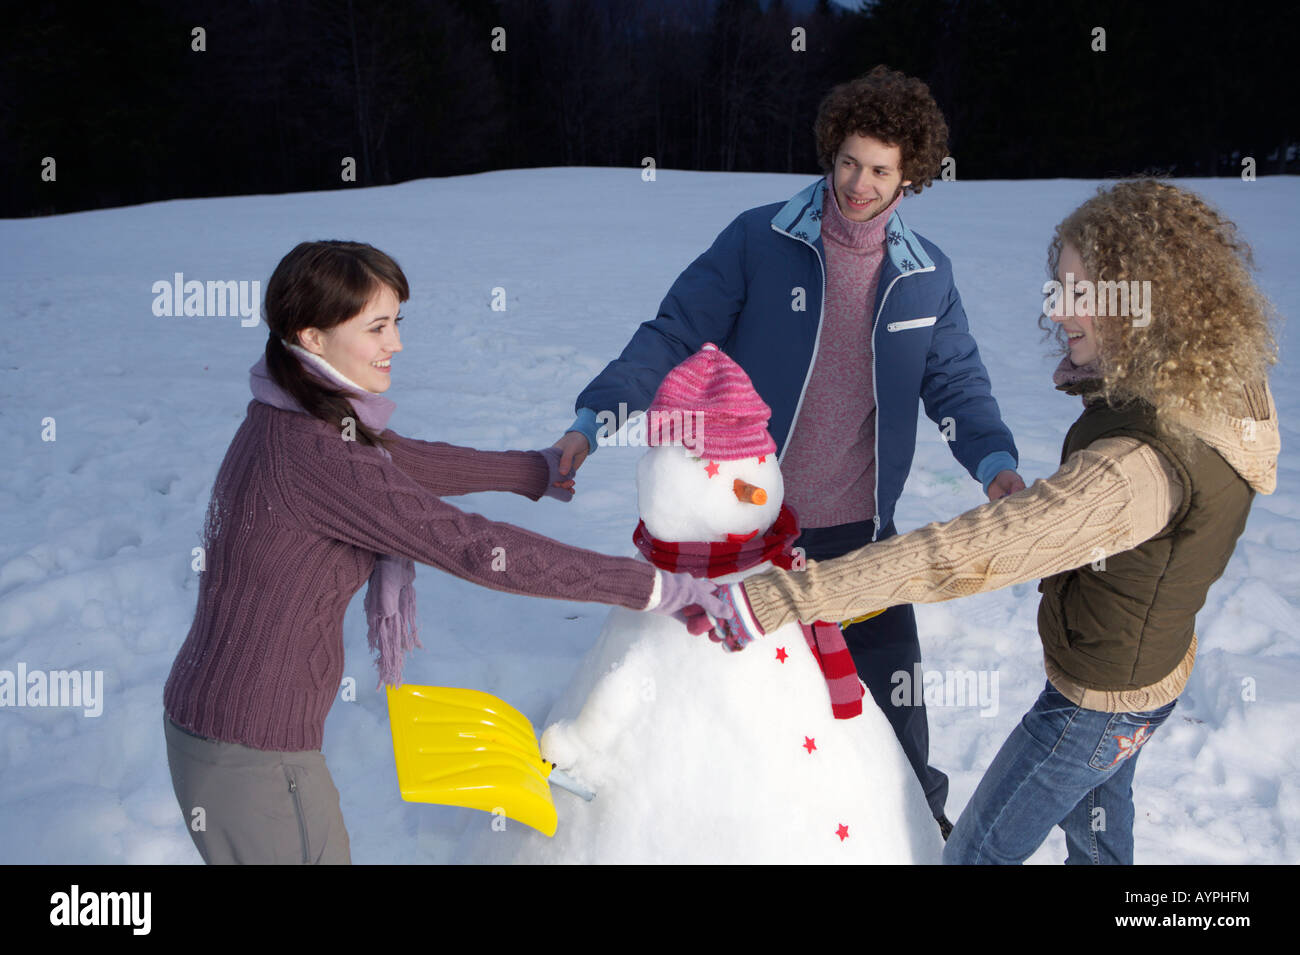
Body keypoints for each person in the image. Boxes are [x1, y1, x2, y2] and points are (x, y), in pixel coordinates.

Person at [709, 178, 1280, 864]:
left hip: (1090, 709)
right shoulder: (1212, 383)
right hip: (1148, 675)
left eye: (1084, 295)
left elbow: (958, 554)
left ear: (1148, 305)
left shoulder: (1132, 471)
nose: (1060, 310)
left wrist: (782, 597)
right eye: (1059, 287)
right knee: (1099, 842)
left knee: (974, 854)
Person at [550, 66, 1023, 835]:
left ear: (912, 176)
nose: (858, 184)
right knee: (736, 723)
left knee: (898, 710)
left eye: (879, 170)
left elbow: (958, 386)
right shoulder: (758, 240)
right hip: (750, 533)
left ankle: (921, 835)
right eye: (847, 161)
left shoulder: (925, 276)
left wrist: (996, 465)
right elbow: (672, 333)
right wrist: (595, 419)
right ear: (829, 151)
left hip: (859, 539)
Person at [162, 240, 723, 864]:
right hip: (252, 753)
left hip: (235, 733)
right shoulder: (315, 451)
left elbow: (398, 461)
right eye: (377, 327)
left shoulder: (294, 411)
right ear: (313, 338)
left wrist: (531, 470)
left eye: (396, 322)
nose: (395, 343)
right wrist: (652, 587)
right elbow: (473, 548)